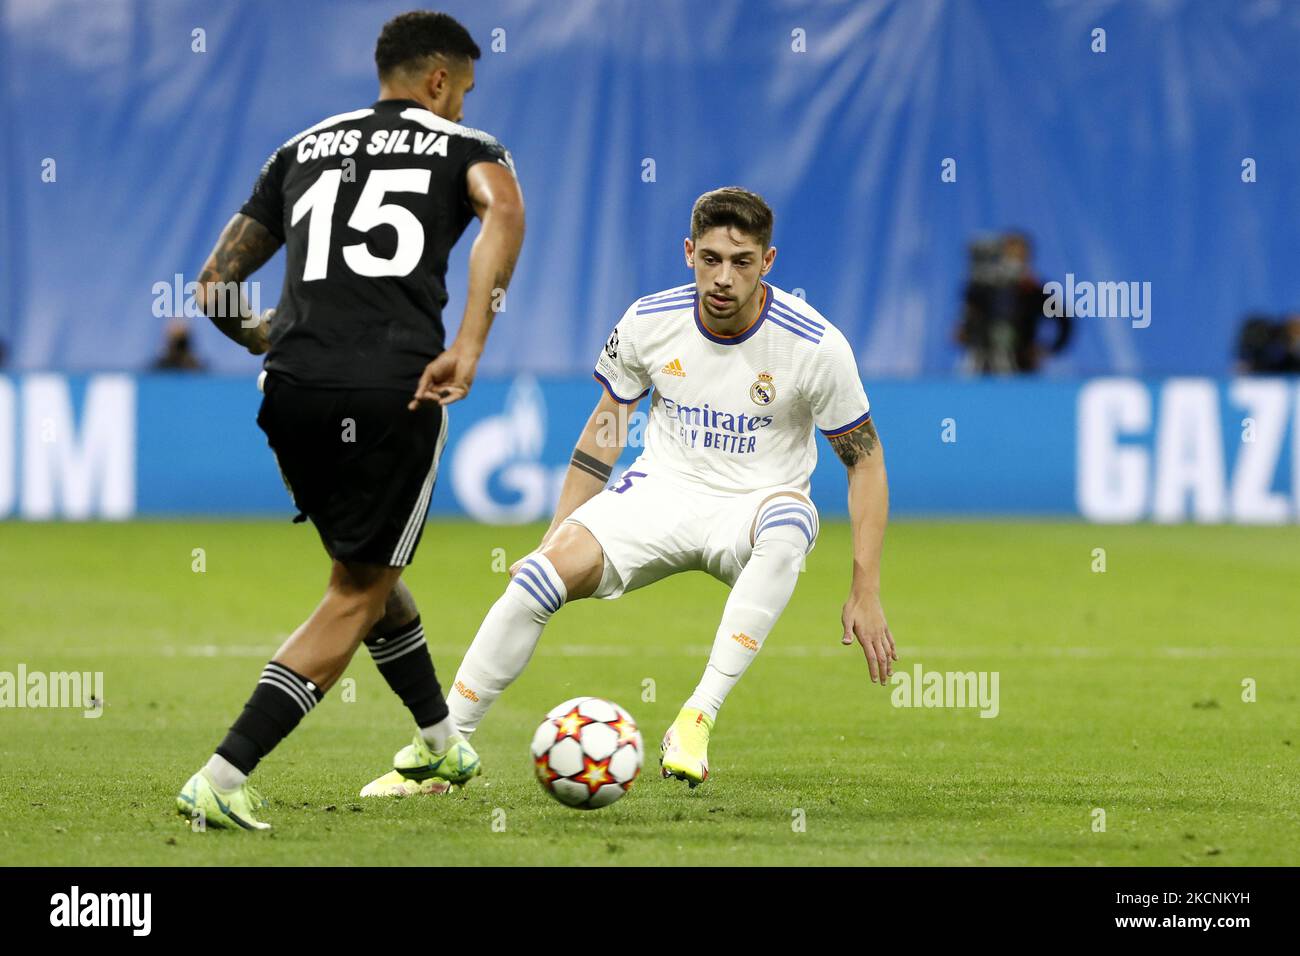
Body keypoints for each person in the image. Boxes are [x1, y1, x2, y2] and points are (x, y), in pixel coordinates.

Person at [364, 187, 893, 793]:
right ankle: (441, 753)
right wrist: (556, 536)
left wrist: (865, 589)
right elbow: (605, 434)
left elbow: (866, 464)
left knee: (791, 524)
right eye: (711, 259)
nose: (724, 277)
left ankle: (696, 717)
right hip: (661, 494)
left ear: (767, 264)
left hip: (755, 506)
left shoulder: (815, 346)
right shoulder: (649, 321)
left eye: (742, 262)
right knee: (533, 582)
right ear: (688, 252)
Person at [175, 10, 526, 830]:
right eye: (465, 91)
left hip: (290, 389)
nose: (466, 109)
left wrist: (271, 333)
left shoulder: (301, 147)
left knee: (372, 566)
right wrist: (469, 345)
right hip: (391, 391)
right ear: (437, 80)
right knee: (355, 590)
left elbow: (213, 285)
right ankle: (224, 774)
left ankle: (440, 740)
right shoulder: (467, 151)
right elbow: (503, 212)